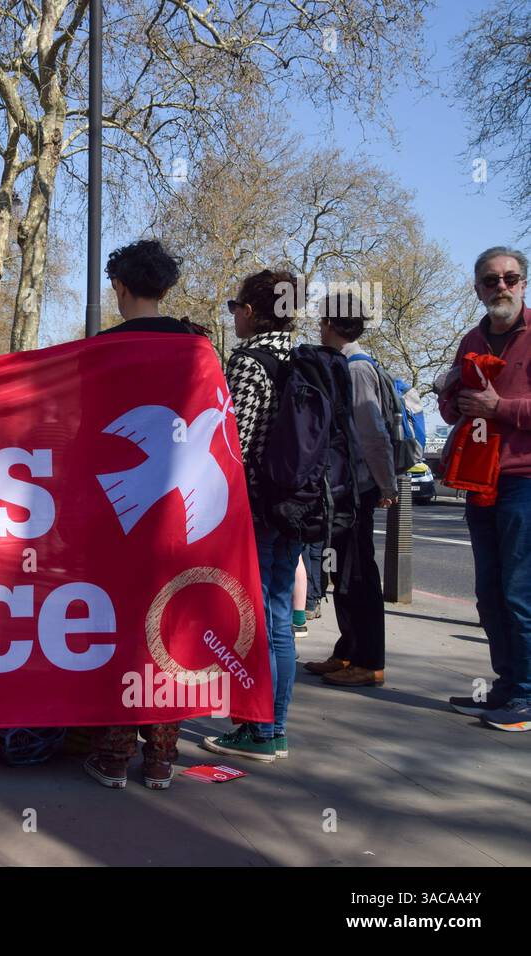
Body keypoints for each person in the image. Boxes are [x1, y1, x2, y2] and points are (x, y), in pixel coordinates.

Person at [85, 239, 203, 791]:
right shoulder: (198, 349)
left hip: (116, 510)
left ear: (120, 286)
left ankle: (112, 754)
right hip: (180, 510)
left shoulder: (102, 349)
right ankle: (161, 758)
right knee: (169, 628)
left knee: (121, 624)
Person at [202, 270, 304, 763]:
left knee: (260, 617)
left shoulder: (249, 361)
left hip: (260, 504)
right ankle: (275, 728)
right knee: (281, 617)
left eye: (234, 307)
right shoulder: (303, 358)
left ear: (248, 311)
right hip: (298, 505)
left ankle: (259, 729)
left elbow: (232, 441)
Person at [438, 246, 531, 731]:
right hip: (479, 480)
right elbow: (455, 411)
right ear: (477, 288)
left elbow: (498, 408)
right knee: (490, 593)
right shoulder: (472, 337)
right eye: (491, 280)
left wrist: (501, 408)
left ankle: (528, 694)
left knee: (520, 591)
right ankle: (507, 687)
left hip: (523, 480)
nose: (502, 287)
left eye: (510, 278)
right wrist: (449, 397)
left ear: (523, 283)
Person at [303, 292, 397, 688]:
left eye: (324, 320)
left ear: (334, 325)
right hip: (346, 488)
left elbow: (373, 434)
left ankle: (370, 660)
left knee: (359, 575)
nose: (319, 327)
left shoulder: (357, 369)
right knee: (342, 570)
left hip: (357, 490)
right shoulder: (346, 364)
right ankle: (347, 651)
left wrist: (386, 483)